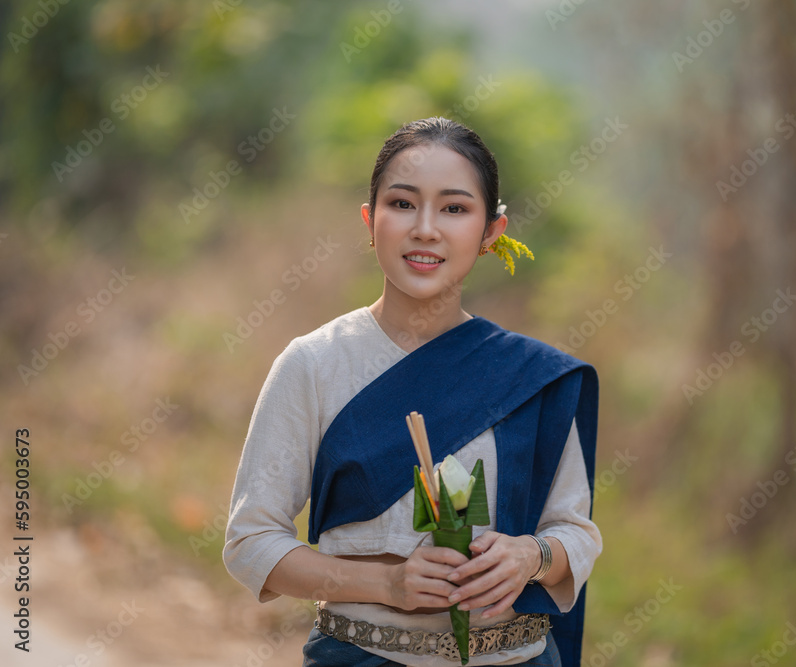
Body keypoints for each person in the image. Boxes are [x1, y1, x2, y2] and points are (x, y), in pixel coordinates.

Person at [224, 117, 601, 666]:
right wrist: (387, 584)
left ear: (491, 231)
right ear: (369, 220)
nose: (426, 229)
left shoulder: (531, 377)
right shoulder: (314, 365)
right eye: (402, 204)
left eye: (454, 208)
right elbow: (251, 543)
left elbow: (576, 533)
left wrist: (530, 555)